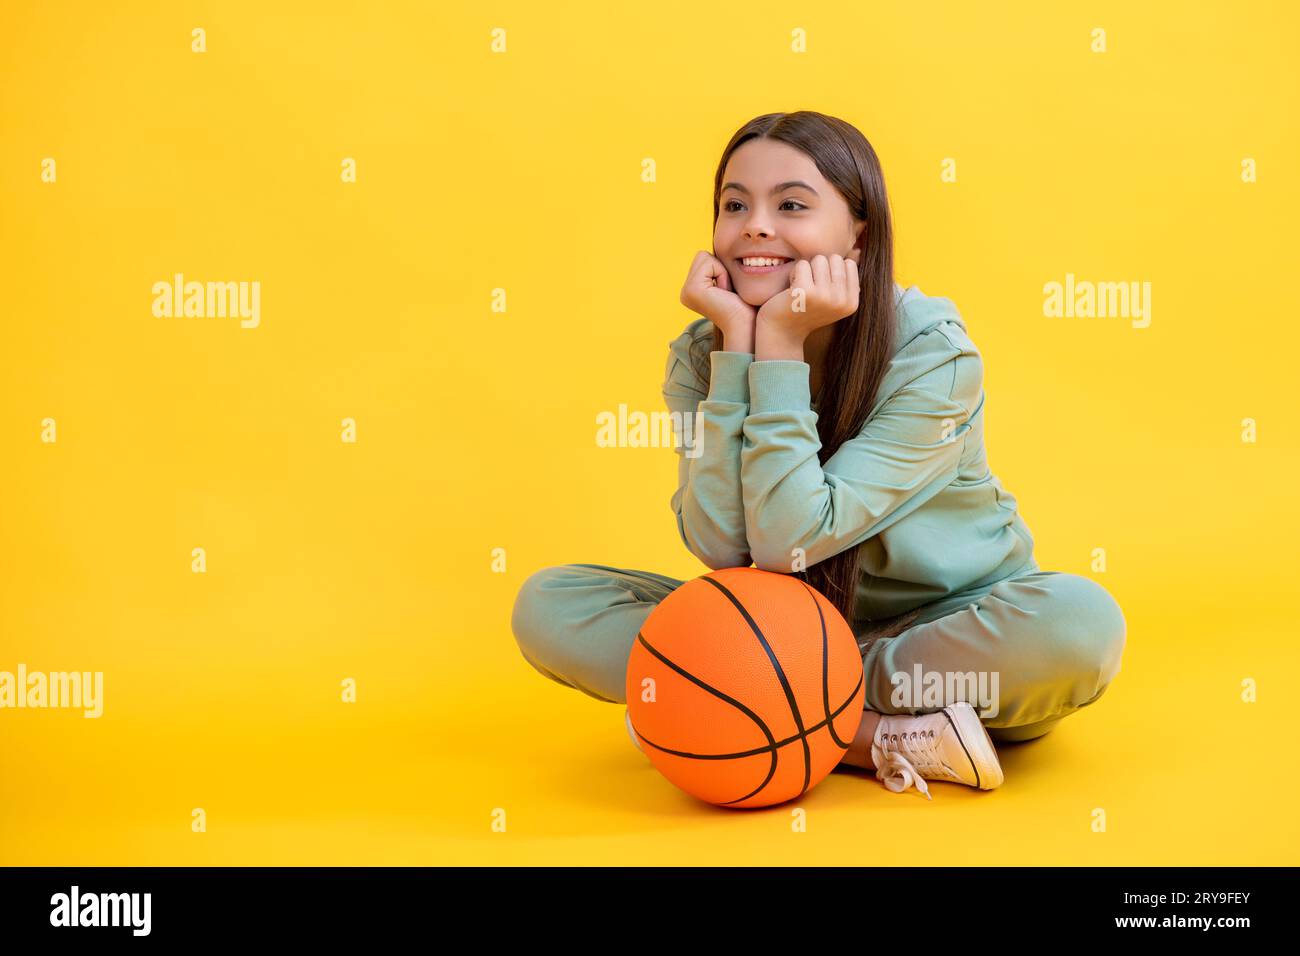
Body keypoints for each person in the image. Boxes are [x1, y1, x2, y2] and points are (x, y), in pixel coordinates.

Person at [511, 111, 1126, 800]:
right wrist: (740, 351)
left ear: (858, 233)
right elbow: (721, 545)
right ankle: (874, 738)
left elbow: (788, 541)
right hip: (782, 627)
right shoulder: (701, 352)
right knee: (548, 605)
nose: (756, 226)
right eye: (734, 204)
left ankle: (733, 709)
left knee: (1080, 625)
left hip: (944, 623)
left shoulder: (932, 353)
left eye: (791, 205)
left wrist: (781, 344)